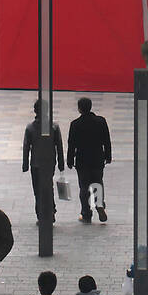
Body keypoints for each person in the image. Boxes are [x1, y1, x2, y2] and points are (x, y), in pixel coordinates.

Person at [66, 96, 111, 224]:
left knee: (84, 186)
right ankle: (99, 204)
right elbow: (106, 141)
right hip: (97, 158)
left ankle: (86, 212)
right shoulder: (101, 121)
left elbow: (71, 144)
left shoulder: (75, 124)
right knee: (97, 183)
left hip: (82, 160)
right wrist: (108, 156)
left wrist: (69, 160)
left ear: (79, 109)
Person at [22, 100, 64, 222]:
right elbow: (59, 146)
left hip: (36, 163)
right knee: (48, 187)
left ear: (35, 111)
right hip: (49, 162)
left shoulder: (30, 127)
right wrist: (61, 163)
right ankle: (51, 210)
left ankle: (41, 214)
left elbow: (26, 147)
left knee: (38, 190)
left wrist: (25, 164)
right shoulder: (54, 126)